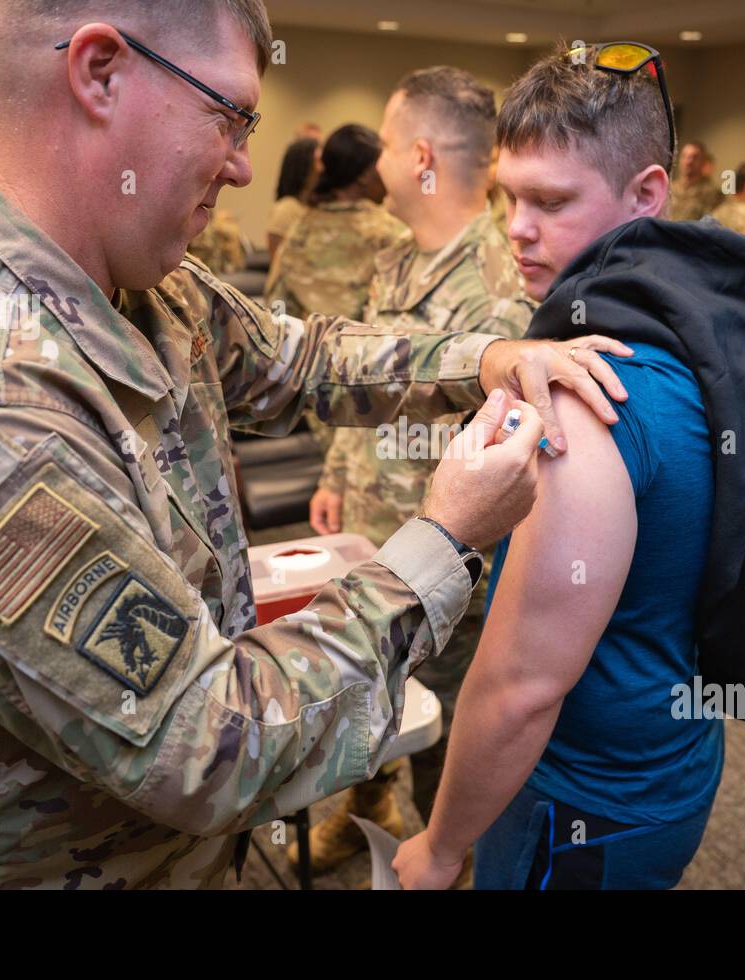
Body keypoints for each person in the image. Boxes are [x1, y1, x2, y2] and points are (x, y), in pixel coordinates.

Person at [0, 0, 633, 891]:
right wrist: (442, 542)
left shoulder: (128, 280)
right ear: (101, 71)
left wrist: (486, 356)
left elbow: (299, 360)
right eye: (229, 116)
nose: (244, 164)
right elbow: (214, 747)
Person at [394, 40, 745, 892]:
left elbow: (519, 689)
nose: (516, 228)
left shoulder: (586, 396)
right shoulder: (698, 330)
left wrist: (437, 848)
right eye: (507, 196)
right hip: (668, 761)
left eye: (550, 200)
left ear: (646, 195)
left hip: (580, 808)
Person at [296, 66, 535, 877]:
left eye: (391, 146)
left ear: (423, 157)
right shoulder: (395, 259)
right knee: (369, 689)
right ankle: (367, 806)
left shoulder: (500, 286)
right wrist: (336, 472)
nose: (379, 164)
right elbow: (364, 377)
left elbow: (494, 460)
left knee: (445, 718)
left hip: (445, 554)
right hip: (372, 531)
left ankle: (446, 855)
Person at [265, 123, 407, 322]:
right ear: (365, 176)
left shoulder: (301, 228)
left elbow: (276, 304)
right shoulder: (392, 232)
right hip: (364, 349)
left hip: (306, 347)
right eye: (382, 164)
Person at [265, 137, 318, 260]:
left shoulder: (311, 207)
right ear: (304, 167)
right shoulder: (286, 210)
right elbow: (280, 262)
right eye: (318, 162)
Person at [669, 140, 722, 221]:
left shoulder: (713, 194)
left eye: (694, 157)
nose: (688, 161)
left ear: (703, 162)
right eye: (684, 156)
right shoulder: (669, 189)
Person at [187, 207, 246, 273]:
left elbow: (237, 262)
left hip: (214, 271)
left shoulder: (220, 232)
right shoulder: (204, 232)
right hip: (203, 270)